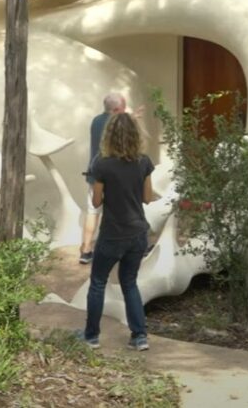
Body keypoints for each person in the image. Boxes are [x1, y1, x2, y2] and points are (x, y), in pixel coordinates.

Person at [80, 111, 154, 351]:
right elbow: (148, 198)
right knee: (130, 283)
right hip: (138, 234)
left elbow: (97, 202)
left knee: (98, 282)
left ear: (109, 135)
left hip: (113, 234)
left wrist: (98, 186)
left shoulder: (101, 163)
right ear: (135, 134)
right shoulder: (144, 162)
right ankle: (139, 336)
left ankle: (91, 336)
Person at [79, 92, 127, 265]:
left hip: (95, 174)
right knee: (124, 212)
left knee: (92, 212)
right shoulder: (117, 123)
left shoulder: (96, 121)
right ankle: (126, 250)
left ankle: (85, 251)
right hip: (113, 176)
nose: (125, 111)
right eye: (123, 108)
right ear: (115, 109)